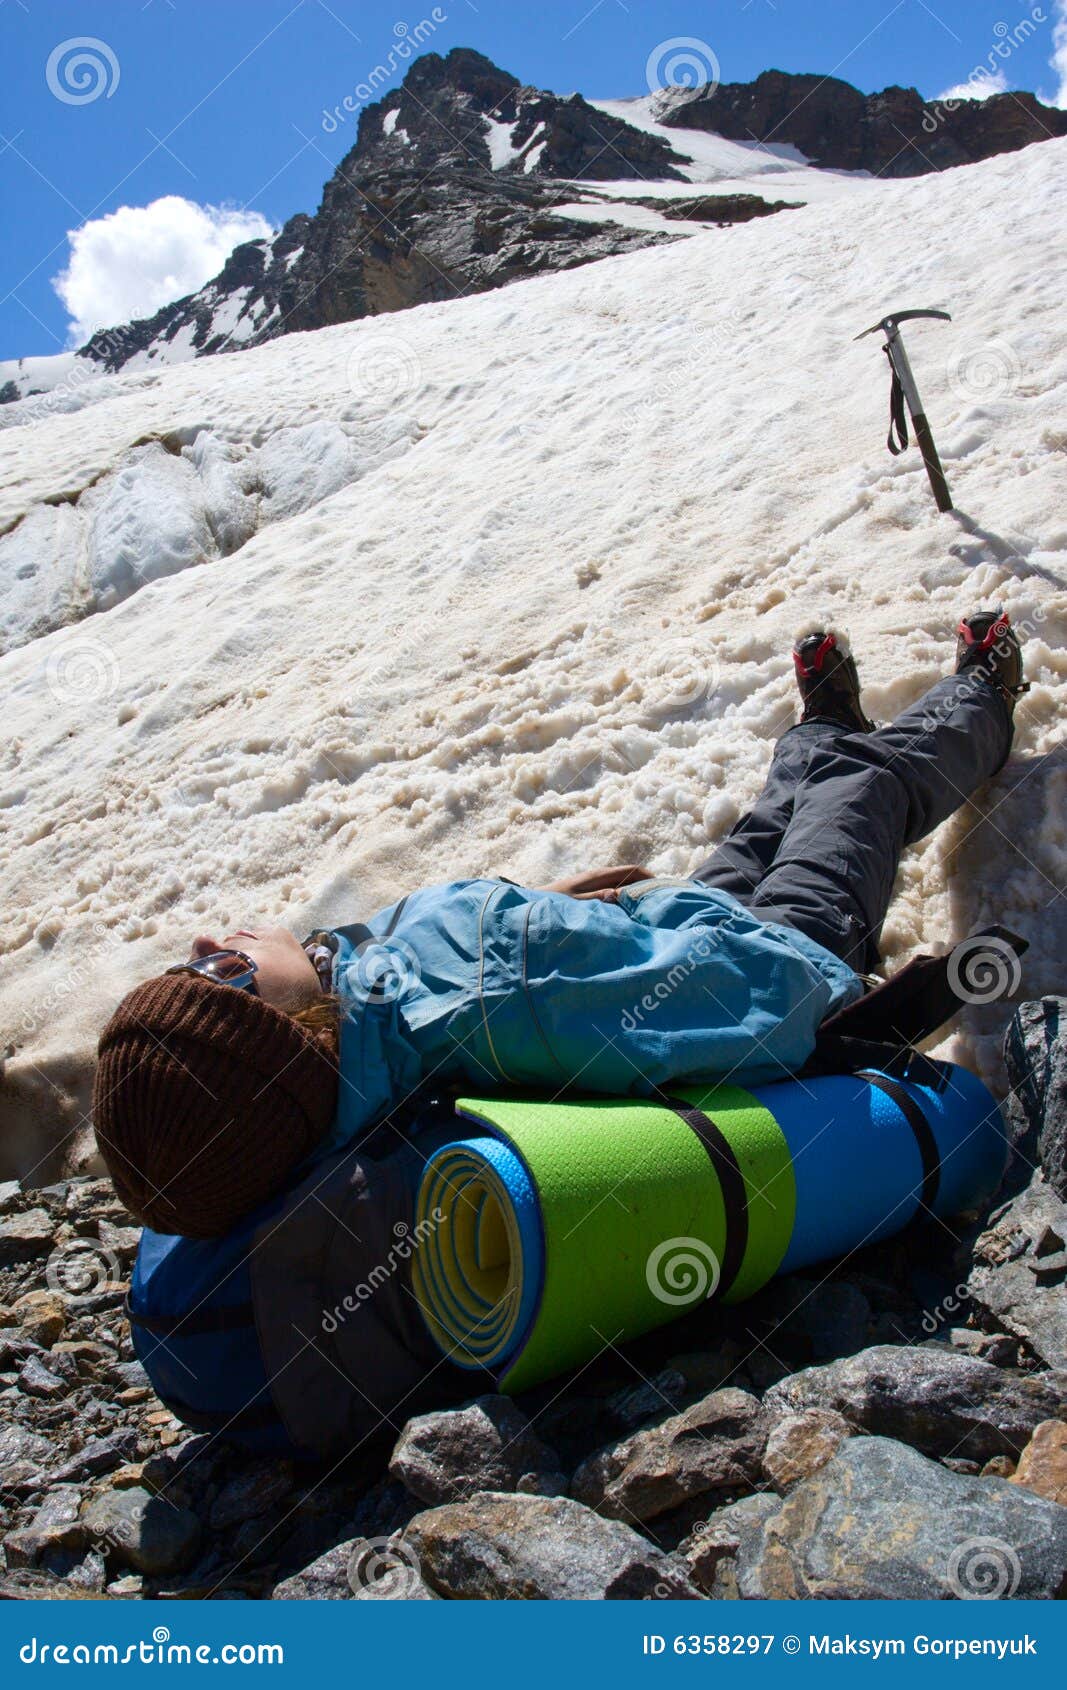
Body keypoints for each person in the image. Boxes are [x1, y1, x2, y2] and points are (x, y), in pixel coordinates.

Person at [92, 610, 1027, 1242]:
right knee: (859, 789)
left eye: (186, 965)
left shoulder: (356, 1026)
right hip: (769, 949)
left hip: (668, 928)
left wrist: (560, 908)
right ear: (289, 1040)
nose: (210, 946)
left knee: (774, 814)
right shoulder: (469, 1003)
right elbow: (722, 1011)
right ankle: (984, 698)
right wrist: (828, 988)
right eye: (221, 982)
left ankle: (823, 725)